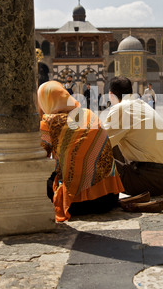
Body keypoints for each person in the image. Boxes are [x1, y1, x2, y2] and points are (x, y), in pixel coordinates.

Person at [38, 80, 124, 222]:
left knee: (39, 179)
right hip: (109, 199)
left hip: (77, 204)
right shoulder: (89, 114)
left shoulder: (49, 123)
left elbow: (39, 157)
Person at [102, 76, 163, 197]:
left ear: (110, 94)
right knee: (113, 143)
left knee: (95, 156)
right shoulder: (144, 106)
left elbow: (99, 143)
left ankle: (101, 201)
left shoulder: (121, 109)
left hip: (147, 181)